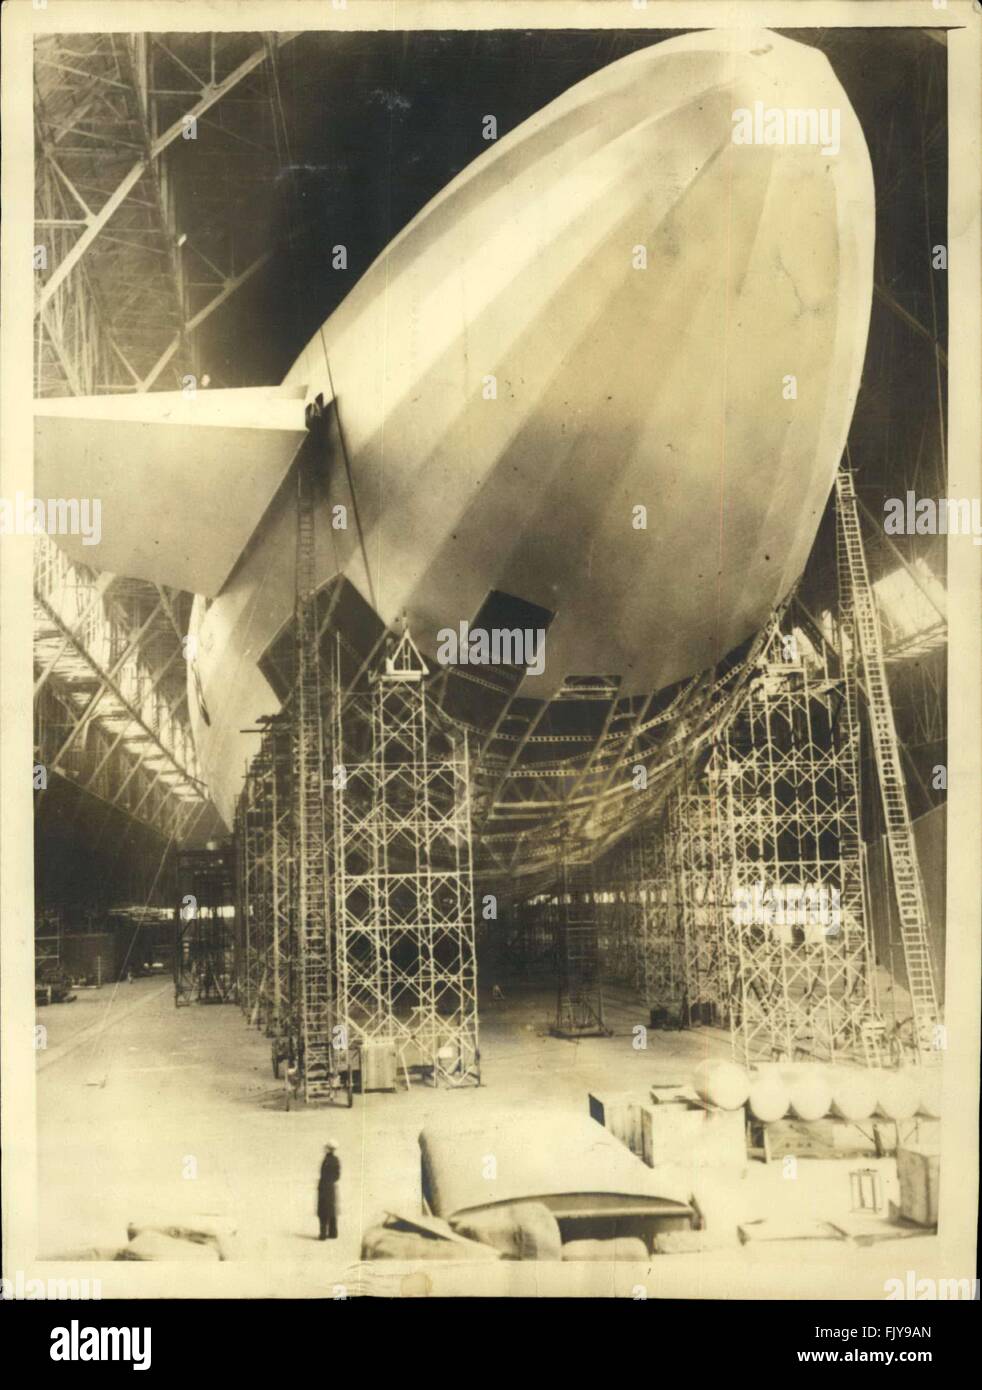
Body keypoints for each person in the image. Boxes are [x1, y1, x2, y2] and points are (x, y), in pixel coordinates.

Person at [317, 1141, 340, 1240]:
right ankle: (333, 1233)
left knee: (323, 1211)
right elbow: (337, 1175)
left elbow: (333, 1175)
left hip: (325, 1187)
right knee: (331, 1210)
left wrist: (326, 1182)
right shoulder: (335, 1160)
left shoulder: (328, 1159)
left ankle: (323, 1234)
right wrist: (331, 1182)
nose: (324, 1149)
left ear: (330, 1149)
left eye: (326, 1147)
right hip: (330, 1187)